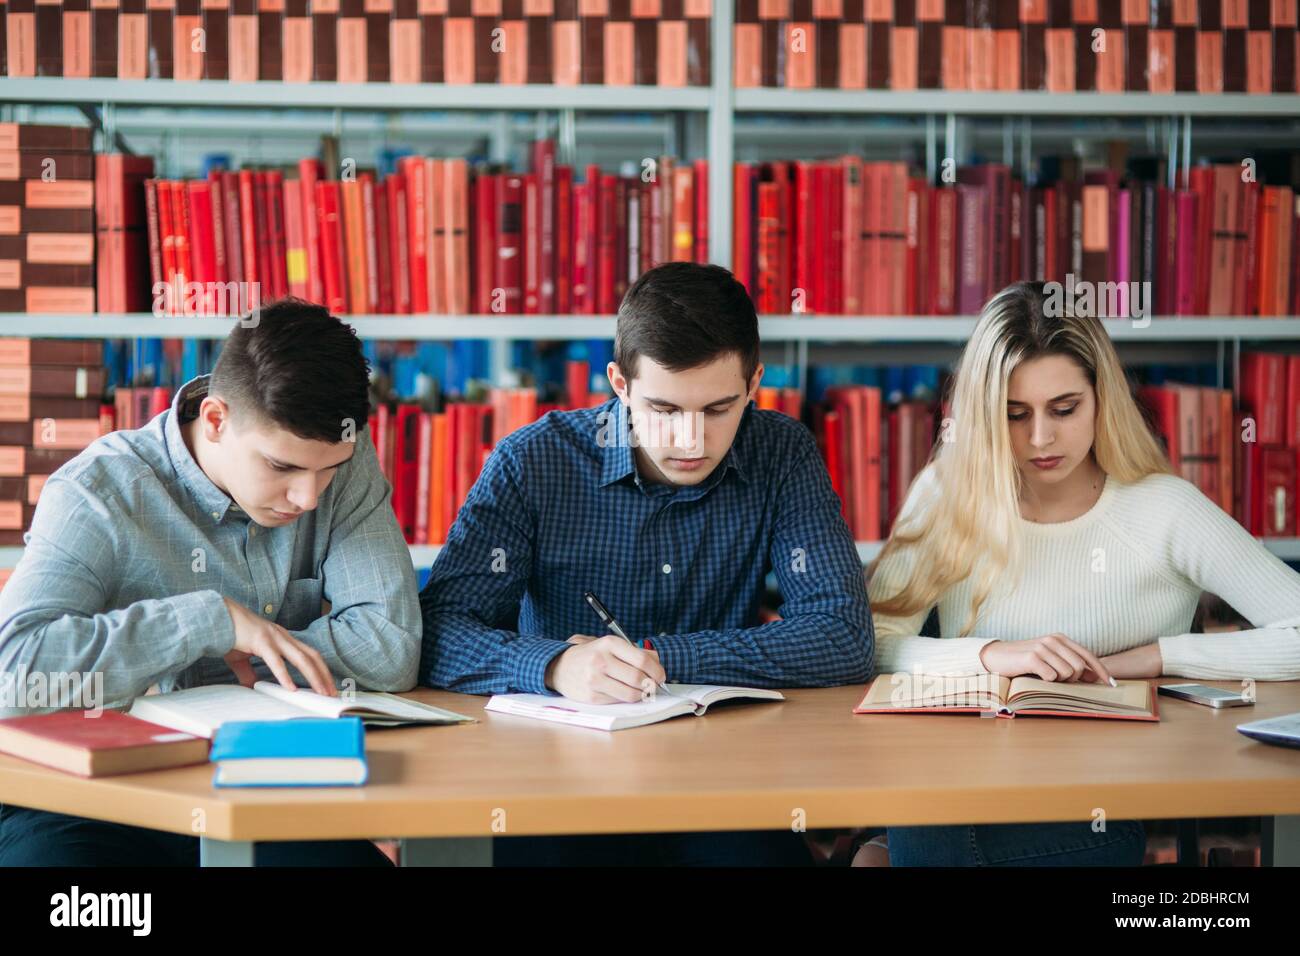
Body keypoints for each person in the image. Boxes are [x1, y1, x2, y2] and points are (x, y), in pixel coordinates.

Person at [420, 261, 873, 866]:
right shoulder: (533, 462)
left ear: (755, 382)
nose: (690, 440)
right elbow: (438, 632)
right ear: (619, 383)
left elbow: (842, 635)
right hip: (558, 778)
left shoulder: (781, 453)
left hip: (724, 776)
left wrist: (662, 657)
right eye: (664, 409)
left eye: (718, 410)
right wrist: (557, 665)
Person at [854, 280, 1300, 867]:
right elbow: (872, 643)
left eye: (1065, 409)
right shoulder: (950, 494)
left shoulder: (1163, 508)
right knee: (924, 824)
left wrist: (1152, 658)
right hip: (969, 785)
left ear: (1101, 398)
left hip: (1101, 808)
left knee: (917, 842)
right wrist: (995, 656)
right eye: (1014, 415)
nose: (1041, 438)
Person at [0, 298, 420, 866]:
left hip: (268, 781)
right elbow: (14, 676)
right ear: (217, 420)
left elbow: (390, 645)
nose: (310, 497)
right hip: (91, 797)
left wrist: (189, 668)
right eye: (282, 468)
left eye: (329, 470)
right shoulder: (97, 492)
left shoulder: (335, 455)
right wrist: (207, 621)